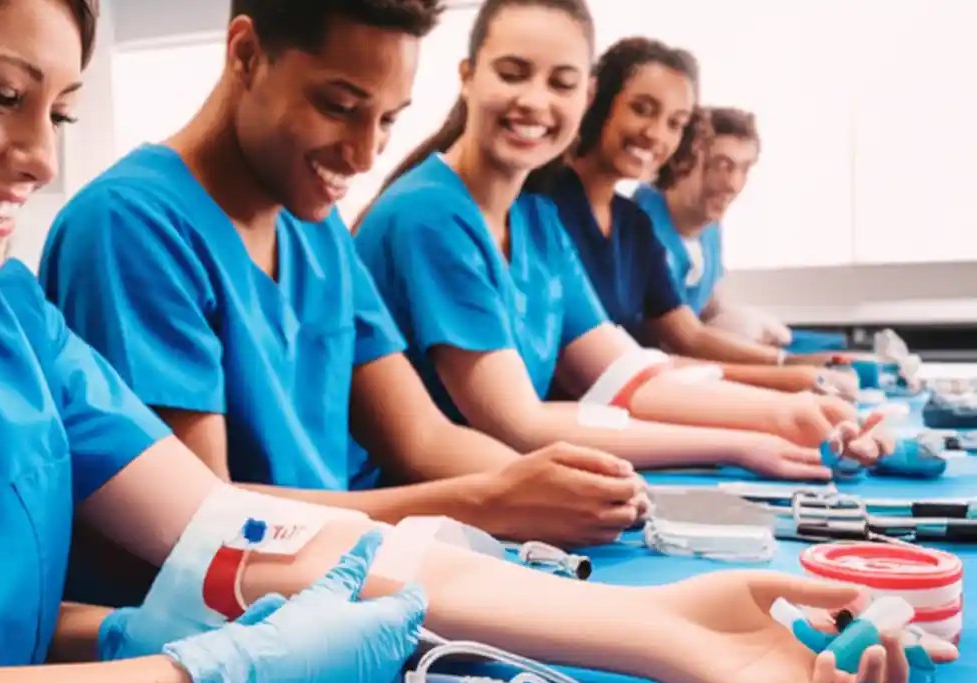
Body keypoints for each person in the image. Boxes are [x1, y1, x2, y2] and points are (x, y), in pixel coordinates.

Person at [0, 2, 948, 683]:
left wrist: (653, 626)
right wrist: (207, 682)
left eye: (59, 112)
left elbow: (232, 529)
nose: (36, 158)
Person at [41, 0, 650, 552]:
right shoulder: (130, 226)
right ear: (246, 54)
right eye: (338, 107)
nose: (364, 157)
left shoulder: (315, 224)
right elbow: (202, 521)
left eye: (387, 121)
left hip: (336, 576)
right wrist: (487, 502)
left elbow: (421, 438)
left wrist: (555, 485)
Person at [351, 0, 871, 477]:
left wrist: (786, 413)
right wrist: (738, 442)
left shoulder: (537, 221)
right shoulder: (429, 215)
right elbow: (517, 423)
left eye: (561, 83)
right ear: (467, 77)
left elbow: (627, 376)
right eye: (512, 74)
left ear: (587, 96)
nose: (535, 100)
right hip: (423, 506)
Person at [526, 38, 858, 399]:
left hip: (624, 400)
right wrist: (785, 378)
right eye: (641, 108)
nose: (656, 134)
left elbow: (688, 335)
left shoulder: (632, 224)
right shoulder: (544, 202)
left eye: (675, 123)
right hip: (579, 409)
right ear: (598, 100)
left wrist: (786, 363)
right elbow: (607, 366)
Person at [633, 105, 795, 347]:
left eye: (744, 168)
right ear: (681, 160)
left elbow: (705, 301)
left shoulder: (708, 227)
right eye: (721, 165)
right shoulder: (638, 225)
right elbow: (677, 337)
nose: (733, 184)